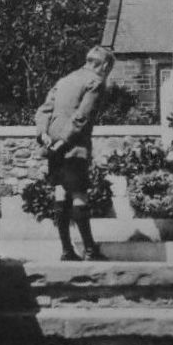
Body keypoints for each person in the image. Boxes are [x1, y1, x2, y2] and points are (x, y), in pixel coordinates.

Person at [35, 46, 115, 261]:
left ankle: (66, 250)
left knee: (61, 192)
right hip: (73, 146)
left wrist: (43, 134)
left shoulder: (64, 80)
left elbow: (43, 110)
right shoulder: (95, 83)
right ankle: (89, 249)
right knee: (80, 194)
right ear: (105, 66)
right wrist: (64, 140)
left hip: (52, 145)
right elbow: (82, 117)